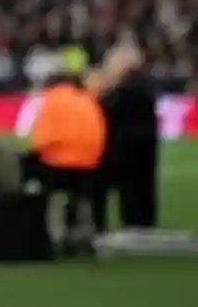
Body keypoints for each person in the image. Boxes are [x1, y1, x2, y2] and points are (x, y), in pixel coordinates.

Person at [20, 72, 107, 255]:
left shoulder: (51, 101)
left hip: (58, 161)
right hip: (88, 162)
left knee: (48, 190)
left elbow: (42, 139)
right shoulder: (87, 100)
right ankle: (83, 235)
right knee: (82, 196)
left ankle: (54, 236)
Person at [93, 43, 160, 232]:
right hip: (139, 148)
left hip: (126, 150)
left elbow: (109, 109)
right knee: (140, 193)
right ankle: (140, 226)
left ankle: (104, 226)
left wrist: (101, 92)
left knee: (123, 191)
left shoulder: (128, 88)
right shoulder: (142, 84)